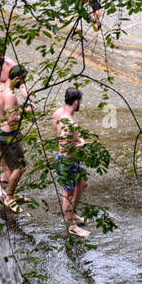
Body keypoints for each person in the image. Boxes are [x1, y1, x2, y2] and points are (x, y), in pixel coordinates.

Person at [53, 86, 89, 237]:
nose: (81, 104)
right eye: (80, 101)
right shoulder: (70, 123)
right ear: (75, 102)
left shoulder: (58, 113)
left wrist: (77, 137)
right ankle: (71, 226)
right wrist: (80, 143)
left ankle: (72, 213)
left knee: (83, 183)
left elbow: (59, 134)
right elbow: (65, 144)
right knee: (68, 193)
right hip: (67, 160)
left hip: (70, 159)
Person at [0, 64, 29, 211]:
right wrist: (26, 113)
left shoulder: (0, 88)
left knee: (9, 167)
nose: (24, 84)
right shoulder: (10, 95)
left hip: (1, 132)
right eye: (22, 80)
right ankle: (9, 198)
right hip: (9, 135)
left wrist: (21, 105)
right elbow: (11, 119)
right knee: (20, 168)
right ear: (16, 78)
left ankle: (12, 194)